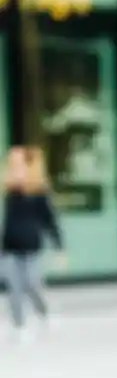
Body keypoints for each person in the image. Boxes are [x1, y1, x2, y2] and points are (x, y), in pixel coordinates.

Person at [2, 146, 65, 343]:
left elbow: (50, 221)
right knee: (14, 287)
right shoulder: (8, 193)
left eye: (20, 166)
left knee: (32, 284)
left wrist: (59, 247)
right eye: (14, 166)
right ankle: (19, 325)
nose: (16, 170)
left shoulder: (39, 193)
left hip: (31, 247)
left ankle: (44, 313)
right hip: (8, 248)